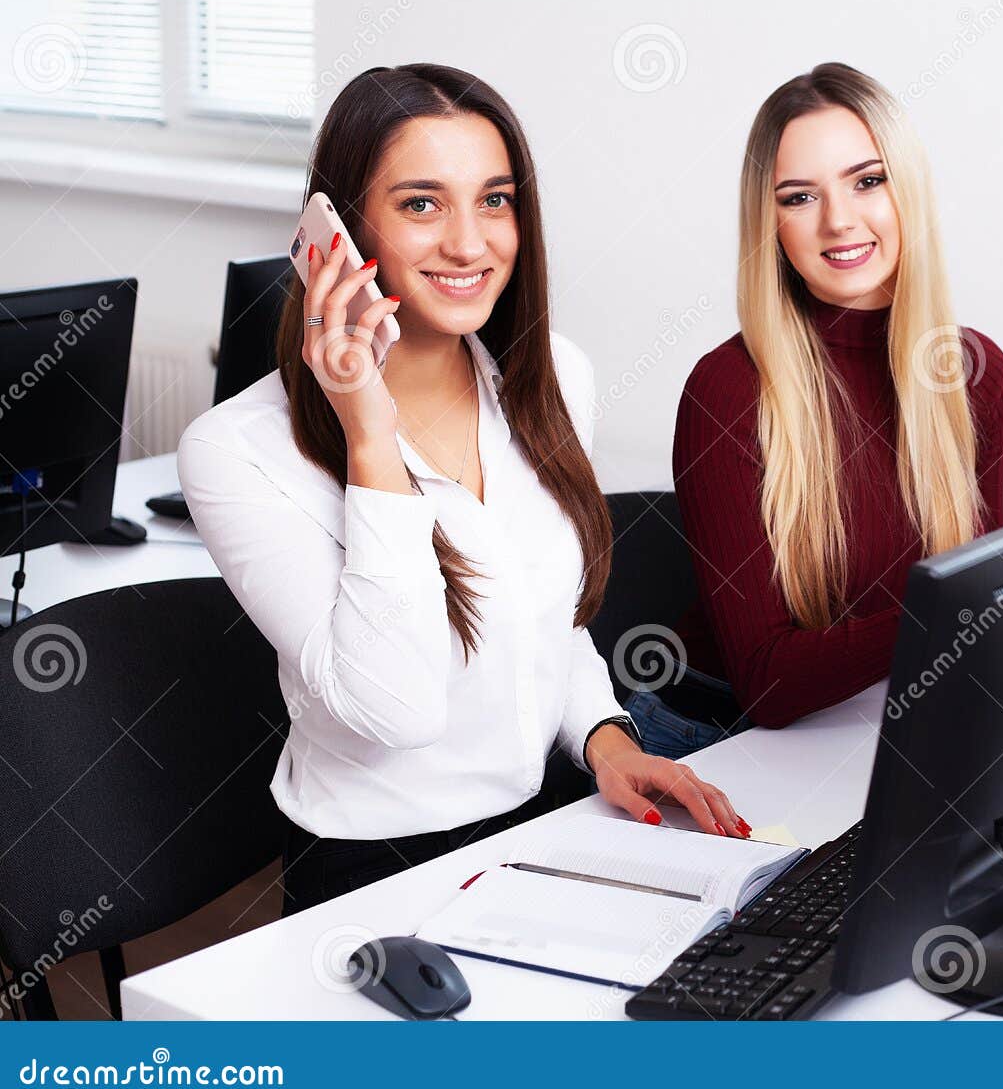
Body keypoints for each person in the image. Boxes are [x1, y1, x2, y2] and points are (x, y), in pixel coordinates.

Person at [178, 64, 747, 916]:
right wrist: (369, 434)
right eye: (421, 203)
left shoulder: (553, 376)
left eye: (494, 199)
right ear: (338, 229)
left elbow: (546, 619)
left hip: (544, 820)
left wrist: (603, 736)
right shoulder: (236, 450)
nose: (471, 243)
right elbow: (395, 710)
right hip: (374, 872)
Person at [631, 62, 1003, 758]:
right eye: (800, 196)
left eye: (868, 180)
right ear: (770, 224)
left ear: (909, 191)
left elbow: (979, 608)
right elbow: (767, 685)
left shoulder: (973, 375)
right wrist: (956, 610)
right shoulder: (728, 389)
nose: (839, 220)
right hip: (715, 737)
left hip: (868, 718)